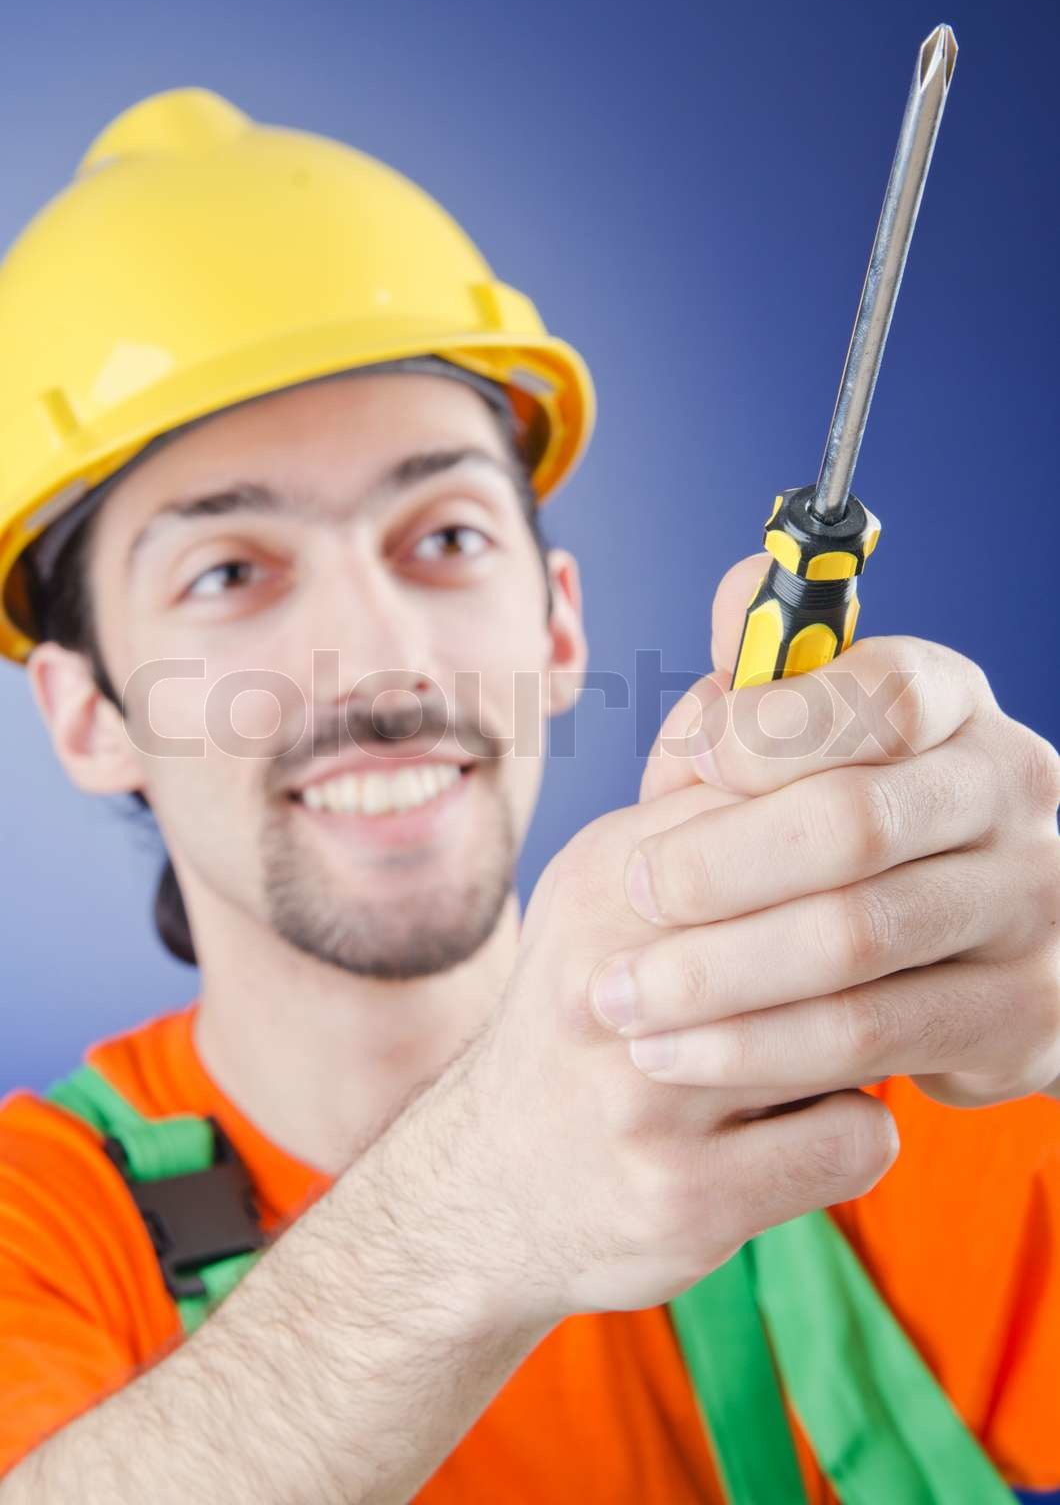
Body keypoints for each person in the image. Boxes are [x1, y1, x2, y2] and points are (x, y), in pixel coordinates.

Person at [0, 87, 1057, 1505]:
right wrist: (478, 1202)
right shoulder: (35, 1227)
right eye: (229, 572)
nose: (378, 651)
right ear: (84, 710)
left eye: (442, 534)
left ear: (558, 625)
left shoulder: (870, 1085)